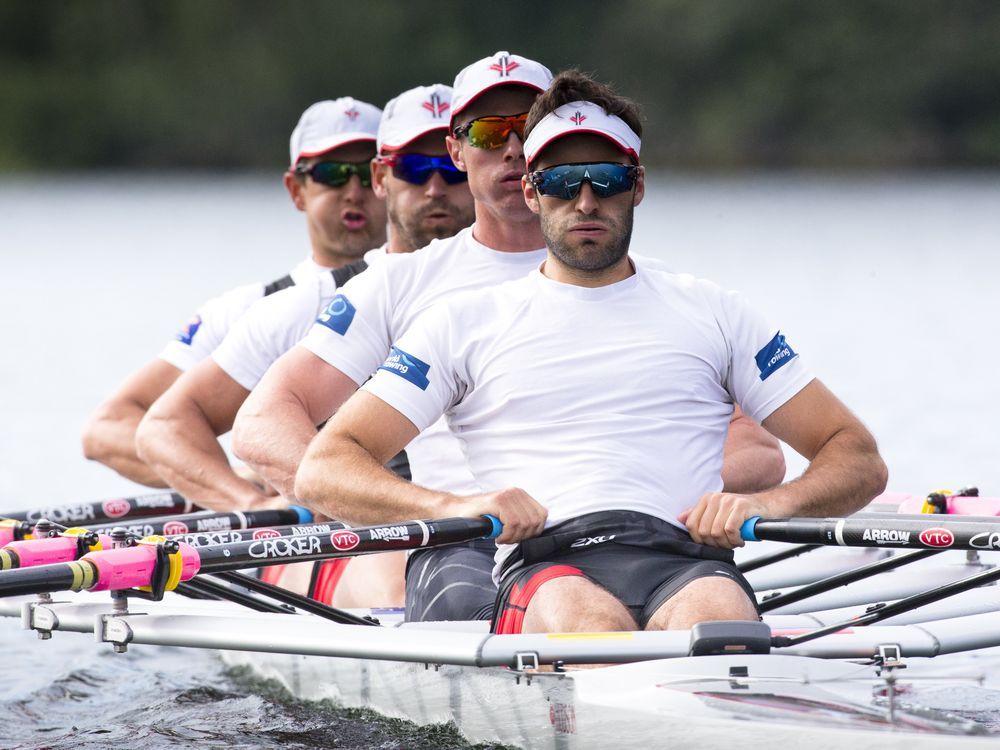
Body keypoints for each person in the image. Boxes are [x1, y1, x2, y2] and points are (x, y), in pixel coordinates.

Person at [292, 71, 888, 635]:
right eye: (558, 181)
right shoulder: (460, 324)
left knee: (721, 613)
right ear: (530, 190)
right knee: (587, 621)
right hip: (545, 570)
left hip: (685, 559)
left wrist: (767, 503)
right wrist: (457, 505)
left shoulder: (717, 312)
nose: (584, 202)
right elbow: (325, 468)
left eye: (605, 179)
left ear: (638, 185)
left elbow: (856, 456)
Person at [133, 84, 473, 606]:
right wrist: (259, 497)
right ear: (389, 178)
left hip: (488, 518)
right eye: (413, 168)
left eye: (452, 171)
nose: (434, 187)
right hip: (379, 540)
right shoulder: (310, 302)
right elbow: (164, 425)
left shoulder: (539, 284)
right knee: (396, 566)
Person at [81, 98, 386, 488]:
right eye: (332, 173)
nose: (354, 191)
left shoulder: (432, 289)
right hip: (318, 522)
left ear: (386, 180)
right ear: (296, 190)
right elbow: (110, 427)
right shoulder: (250, 309)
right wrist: (235, 488)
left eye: (366, 172)